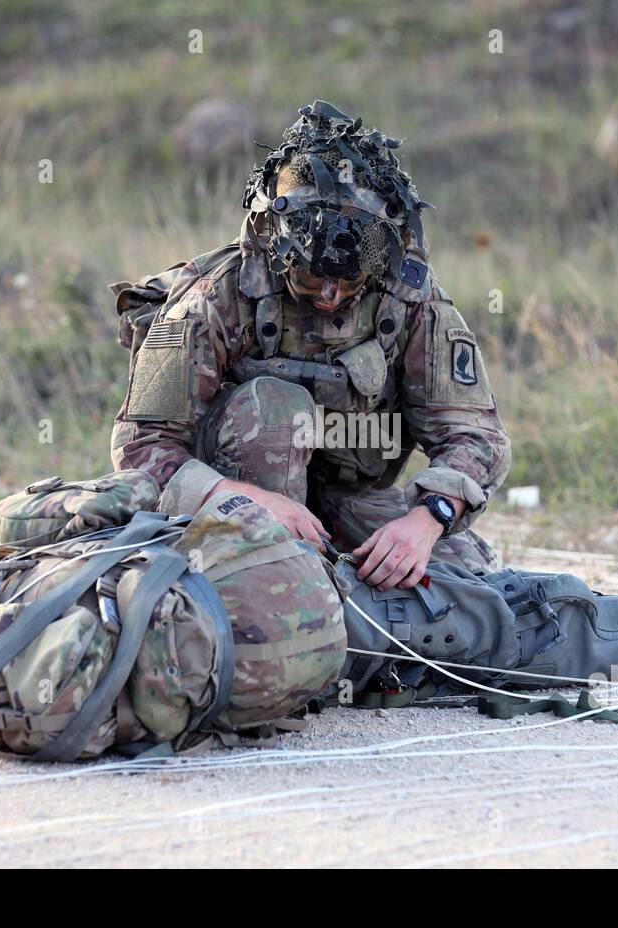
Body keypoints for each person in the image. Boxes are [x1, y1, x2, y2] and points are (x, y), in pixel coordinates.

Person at [110, 100, 510, 591]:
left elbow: (476, 437)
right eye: (309, 276)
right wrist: (243, 499)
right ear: (274, 243)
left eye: (347, 282)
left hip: (348, 495)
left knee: (466, 584)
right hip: (231, 500)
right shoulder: (214, 298)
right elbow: (142, 446)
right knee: (276, 406)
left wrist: (428, 519)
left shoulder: (408, 299)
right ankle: (262, 571)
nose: (327, 295)